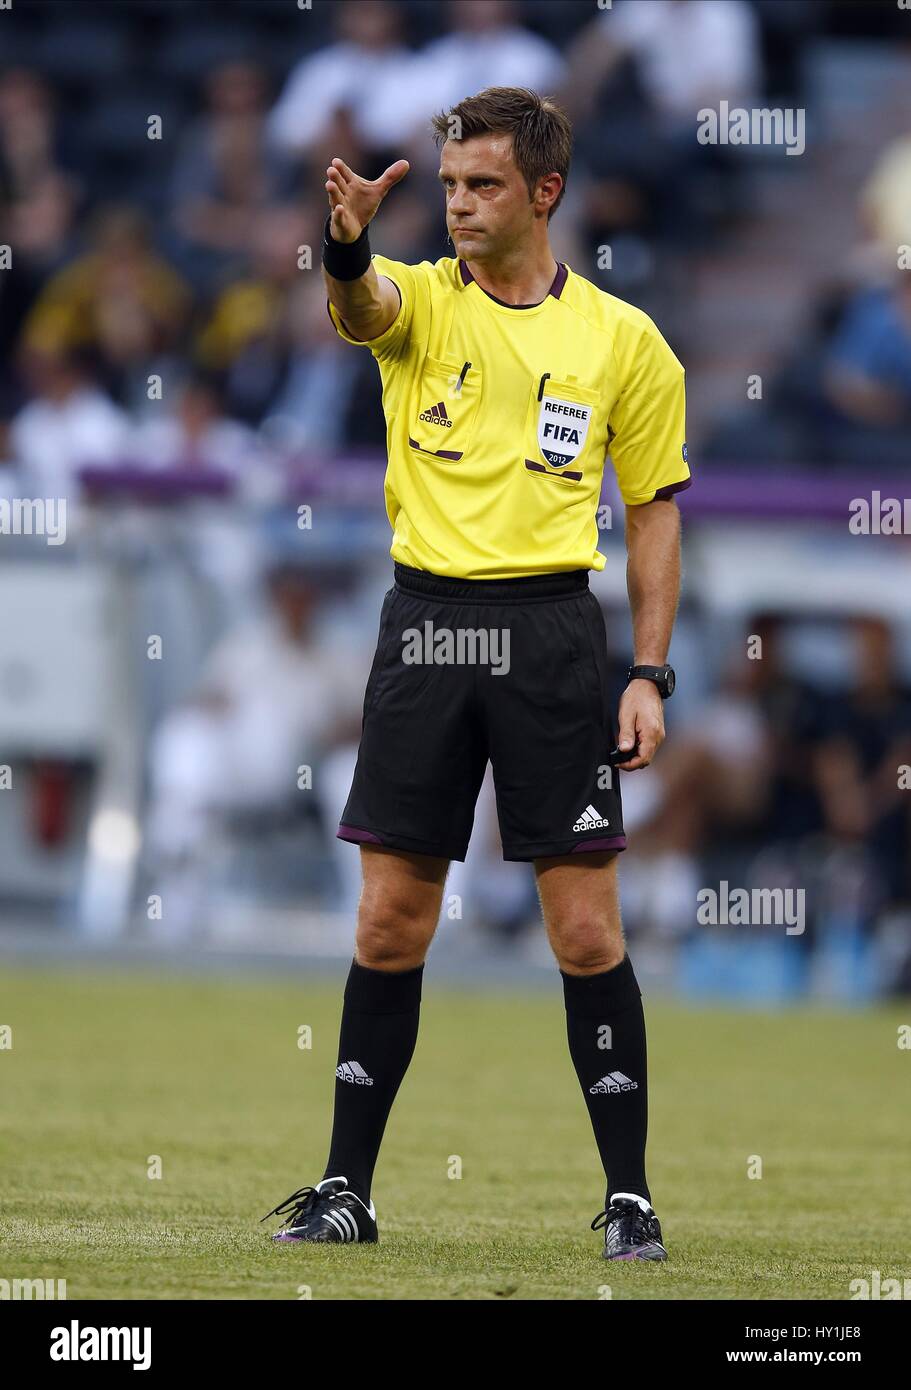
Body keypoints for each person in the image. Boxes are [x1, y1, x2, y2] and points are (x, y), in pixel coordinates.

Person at [261, 87, 690, 1261]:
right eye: (449, 185)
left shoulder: (622, 341)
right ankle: (345, 1187)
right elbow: (358, 303)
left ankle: (628, 1198)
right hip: (428, 626)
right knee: (393, 918)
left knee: (584, 933)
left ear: (543, 193)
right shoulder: (417, 304)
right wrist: (345, 237)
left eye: (481, 184)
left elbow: (651, 516)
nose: (456, 204)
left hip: (554, 635)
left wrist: (649, 670)